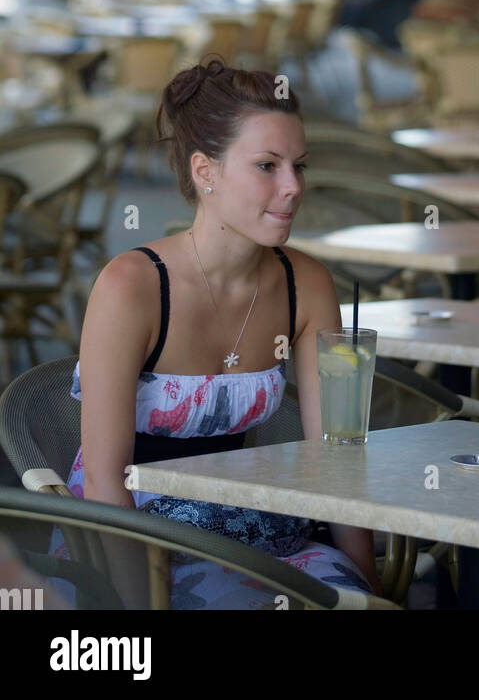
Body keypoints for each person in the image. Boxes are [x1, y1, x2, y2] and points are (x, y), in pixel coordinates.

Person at [58, 57, 379, 607]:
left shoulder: (307, 284)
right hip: (137, 542)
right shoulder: (132, 287)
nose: (293, 187)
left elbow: (338, 458)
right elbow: (108, 486)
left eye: (299, 166)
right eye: (267, 166)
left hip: (258, 538)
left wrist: (372, 588)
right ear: (205, 172)